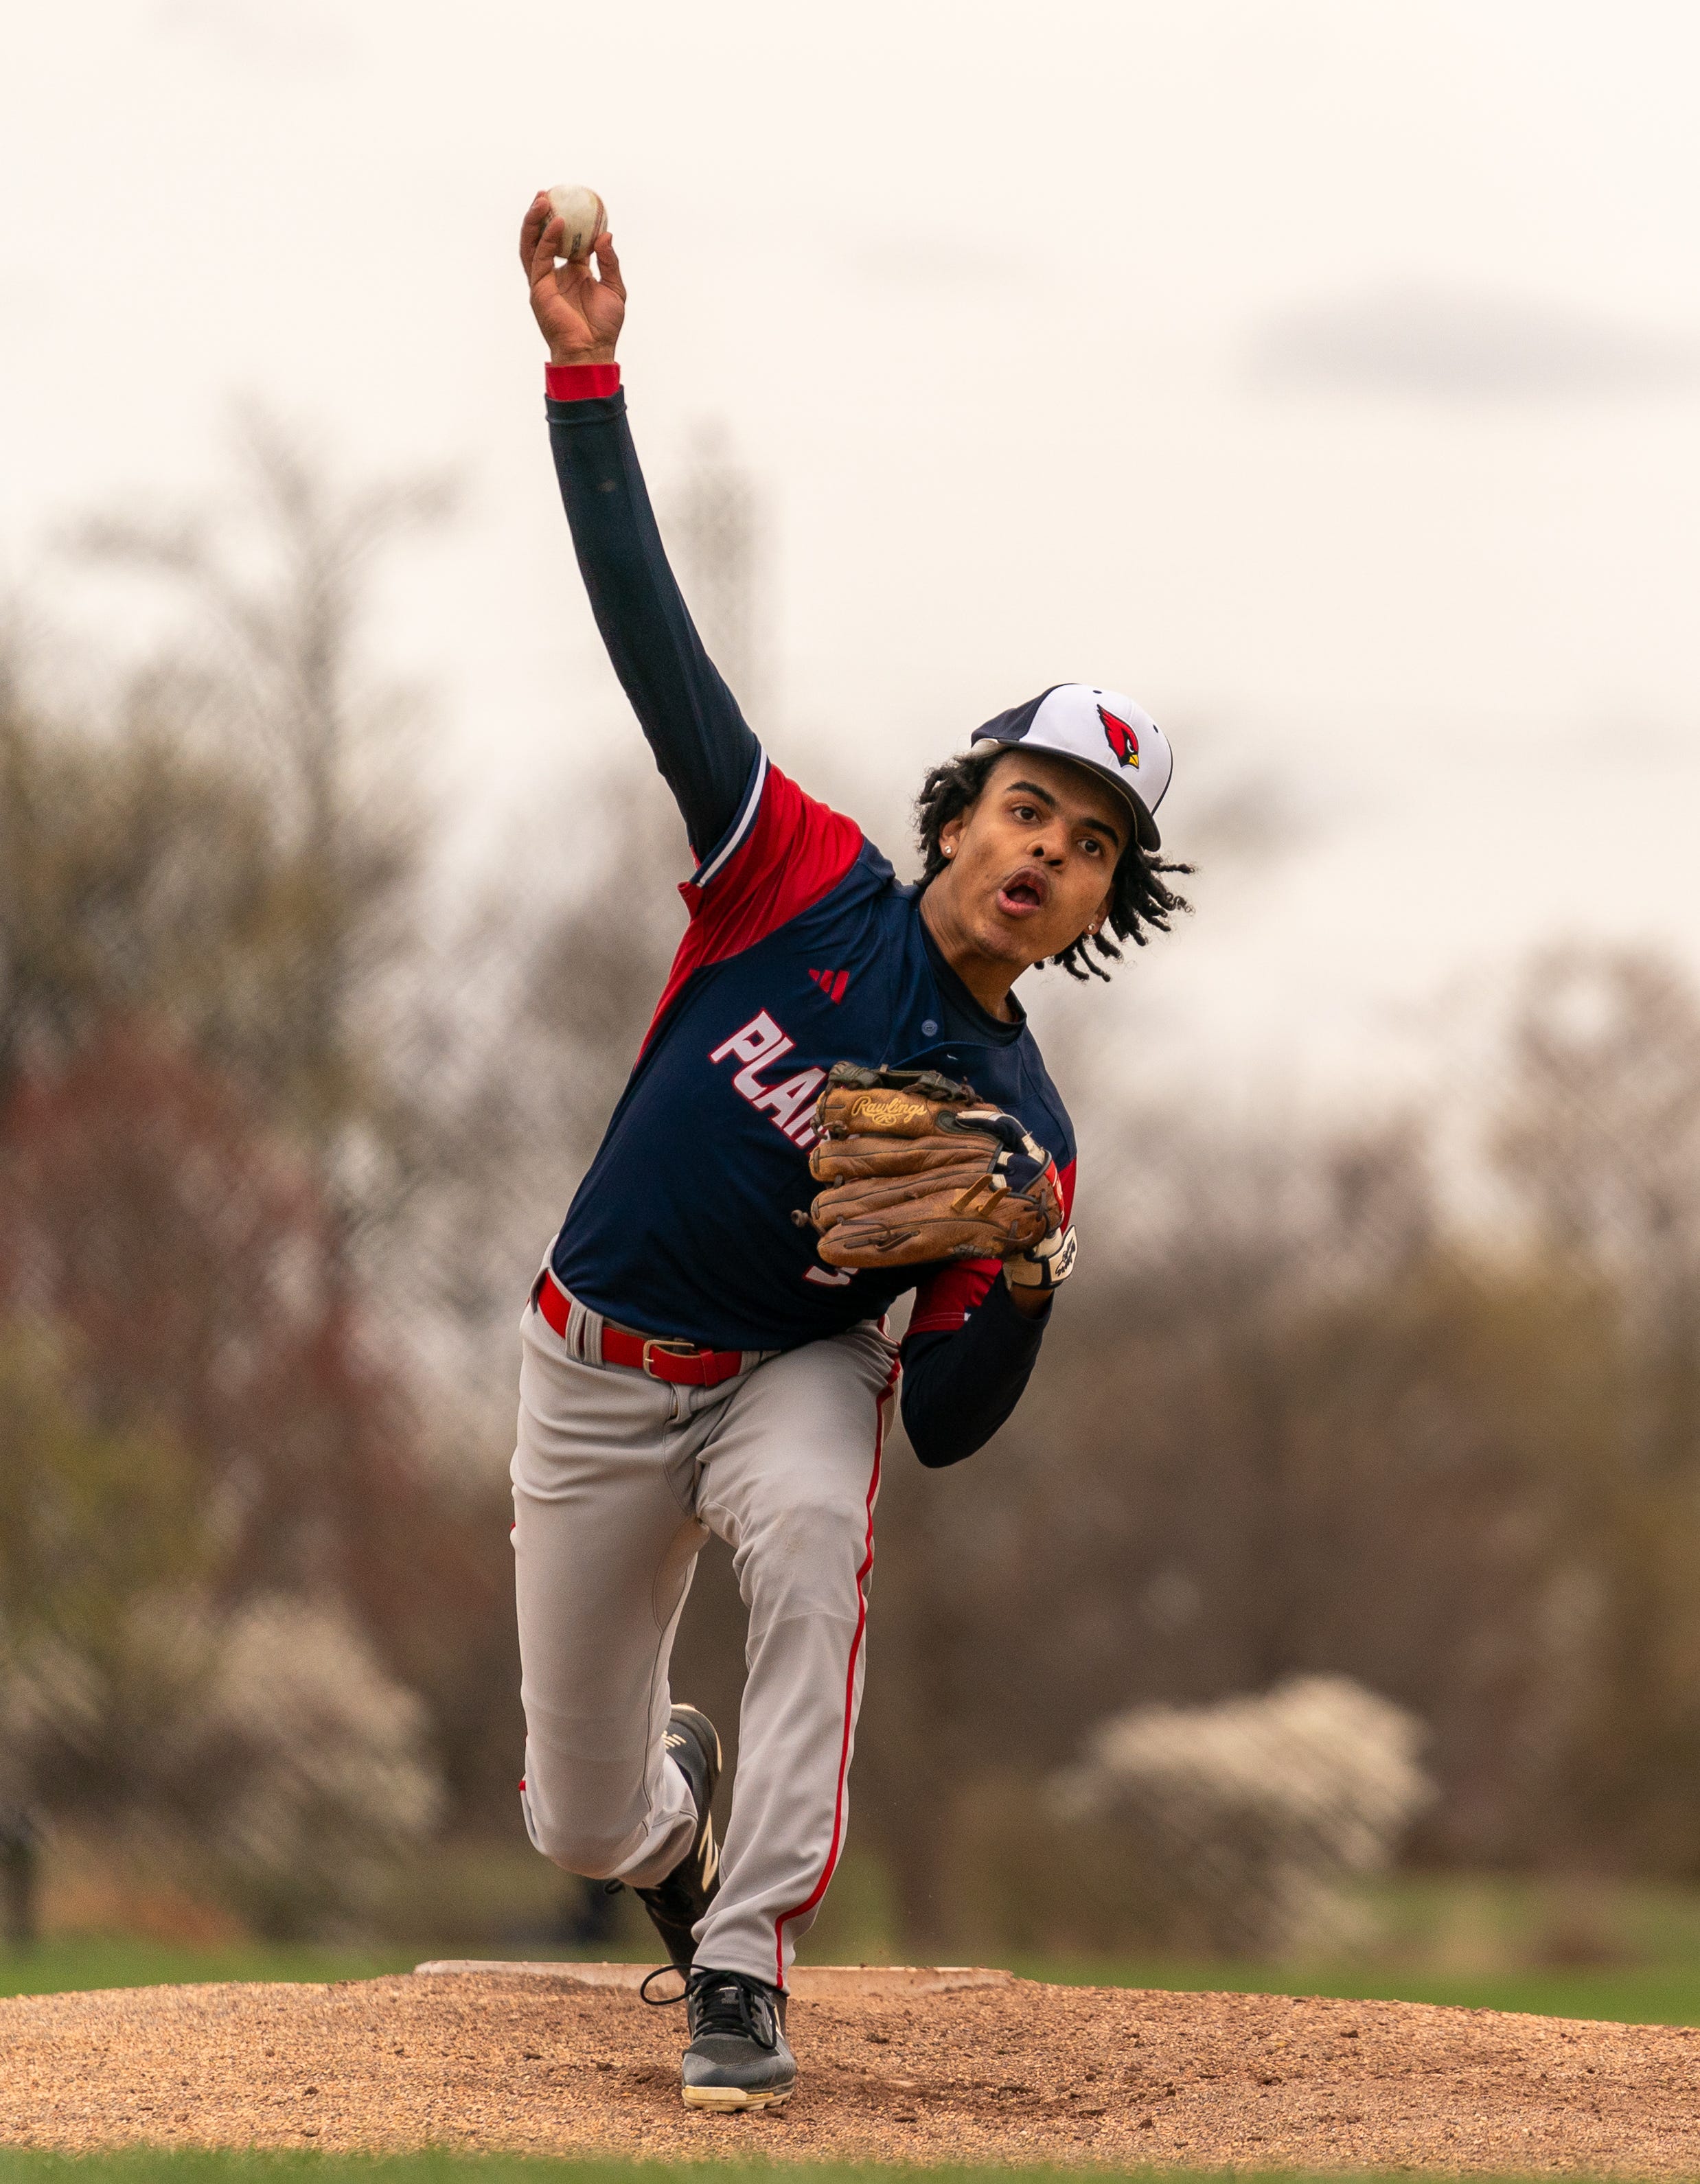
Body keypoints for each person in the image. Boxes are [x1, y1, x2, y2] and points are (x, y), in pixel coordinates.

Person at [511, 191, 1188, 2111]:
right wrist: (587, 381)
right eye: (1026, 806)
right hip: (588, 1360)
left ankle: (743, 1970)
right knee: (574, 1820)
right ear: (957, 813)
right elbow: (658, 651)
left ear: (1086, 914)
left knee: (818, 1529)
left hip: (783, 1376)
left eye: (1087, 849)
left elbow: (953, 1415)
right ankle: (666, 1836)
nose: (1044, 850)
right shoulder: (791, 877)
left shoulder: (1024, 1128)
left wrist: (1027, 1266)